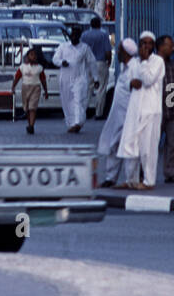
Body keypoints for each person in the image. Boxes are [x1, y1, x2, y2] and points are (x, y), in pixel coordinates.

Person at [118, 31, 165, 190]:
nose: (146, 46)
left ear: (153, 46)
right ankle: (130, 179)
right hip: (135, 109)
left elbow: (148, 79)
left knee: (148, 148)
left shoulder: (157, 61)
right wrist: (131, 83)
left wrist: (144, 63)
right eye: (143, 43)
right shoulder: (134, 62)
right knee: (130, 145)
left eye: (149, 43)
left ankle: (148, 181)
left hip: (151, 111)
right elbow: (125, 81)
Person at [97, 38, 137, 188]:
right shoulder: (125, 67)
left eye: (119, 50)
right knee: (113, 145)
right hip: (117, 116)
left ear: (126, 52)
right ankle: (110, 177)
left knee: (129, 147)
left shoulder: (135, 68)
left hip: (129, 115)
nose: (117, 52)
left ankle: (131, 179)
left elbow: (137, 88)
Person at [53, 25, 98, 133]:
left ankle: (78, 123)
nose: (73, 37)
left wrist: (96, 78)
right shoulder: (63, 47)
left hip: (79, 79)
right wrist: (61, 62)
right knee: (67, 102)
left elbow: (92, 63)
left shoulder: (85, 48)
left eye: (76, 35)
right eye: (72, 35)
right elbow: (55, 59)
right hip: (65, 80)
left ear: (79, 36)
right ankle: (71, 123)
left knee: (78, 101)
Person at [158, 34, 174, 183]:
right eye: (170, 46)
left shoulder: (173, 65)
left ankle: (171, 172)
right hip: (156, 109)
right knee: (150, 143)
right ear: (161, 47)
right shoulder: (153, 63)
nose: (173, 48)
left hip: (171, 109)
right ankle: (143, 173)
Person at [12, 46, 49, 134]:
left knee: (32, 107)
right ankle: (29, 124)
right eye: (31, 55)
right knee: (27, 108)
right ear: (28, 56)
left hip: (35, 88)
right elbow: (17, 77)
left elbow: (43, 80)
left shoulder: (39, 68)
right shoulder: (23, 67)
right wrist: (13, 87)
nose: (33, 57)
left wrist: (46, 91)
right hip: (25, 88)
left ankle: (31, 126)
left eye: (35, 55)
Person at [80, 15, 112, 109]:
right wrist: (109, 60)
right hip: (100, 62)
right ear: (100, 25)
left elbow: (81, 50)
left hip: (88, 64)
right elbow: (108, 51)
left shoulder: (84, 35)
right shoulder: (104, 35)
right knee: (101, 88)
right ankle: (98, 112)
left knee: (88, 87)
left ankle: (84, 109)